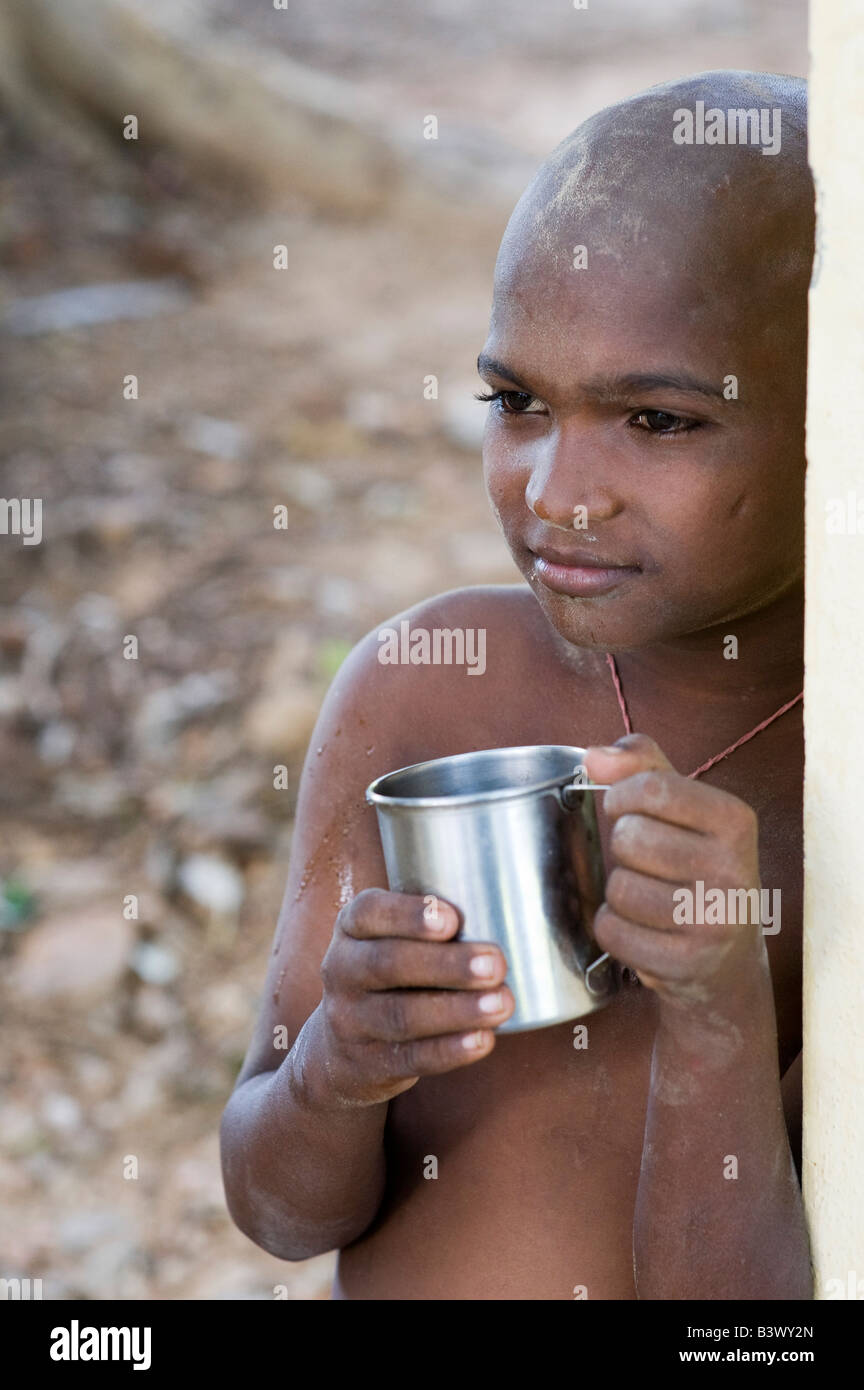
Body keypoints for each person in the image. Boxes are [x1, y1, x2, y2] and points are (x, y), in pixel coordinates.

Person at [220, 70, 814, 1300]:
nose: (555, 493)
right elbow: (275, 1209)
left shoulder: (834, 792)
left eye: (656, 421)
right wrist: (339, 1066)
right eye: (517, 403)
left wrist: (719, 1016)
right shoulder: (424, 698)